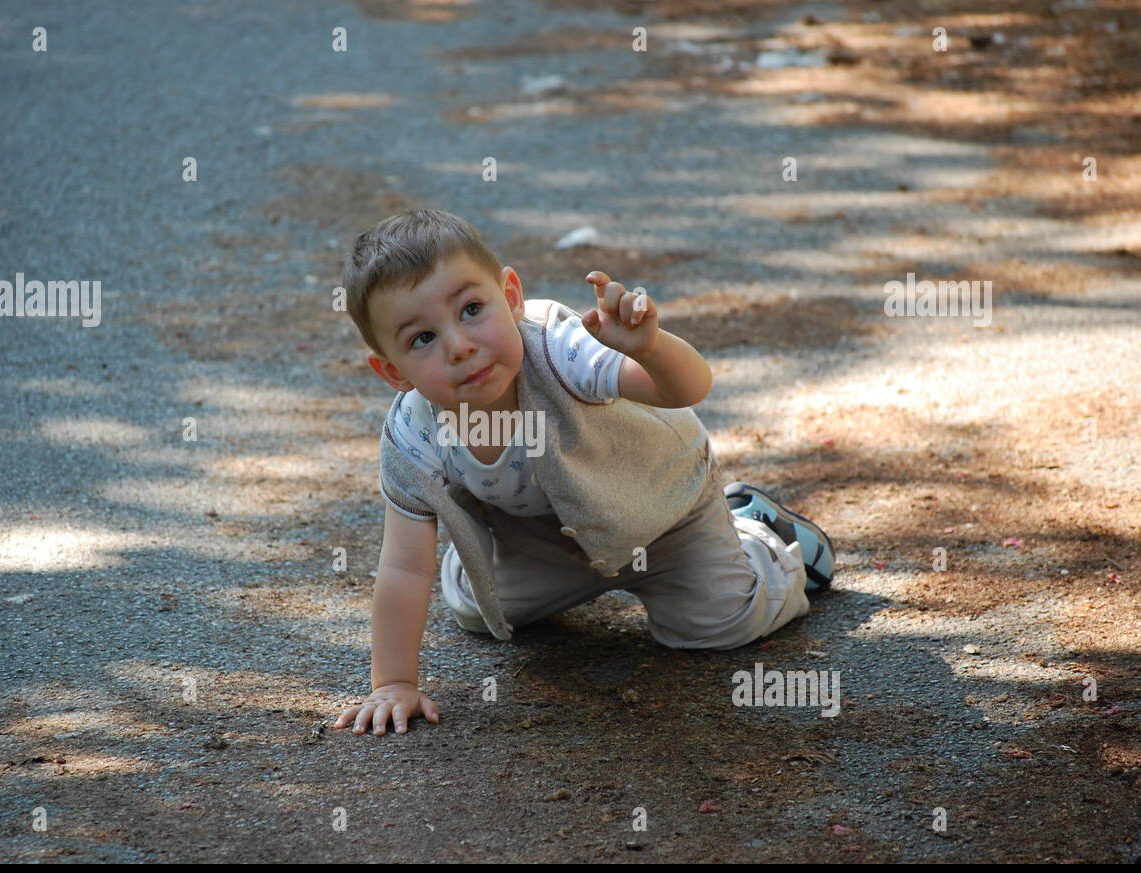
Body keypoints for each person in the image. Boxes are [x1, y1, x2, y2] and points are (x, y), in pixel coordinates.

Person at [332, 209, 835, 737]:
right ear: (392, 371)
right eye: (421, 339)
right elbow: (405, 569)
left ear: (511, 297)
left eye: (473, 309)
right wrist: (392, 684)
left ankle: (756, 531)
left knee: (719, 623)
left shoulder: (558, 348)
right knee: (479, 610)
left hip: (660, 511)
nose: (459, 345)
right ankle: (485, 559)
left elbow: (683, 390)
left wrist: (651, 348)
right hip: (543, 537)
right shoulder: (413, 434)